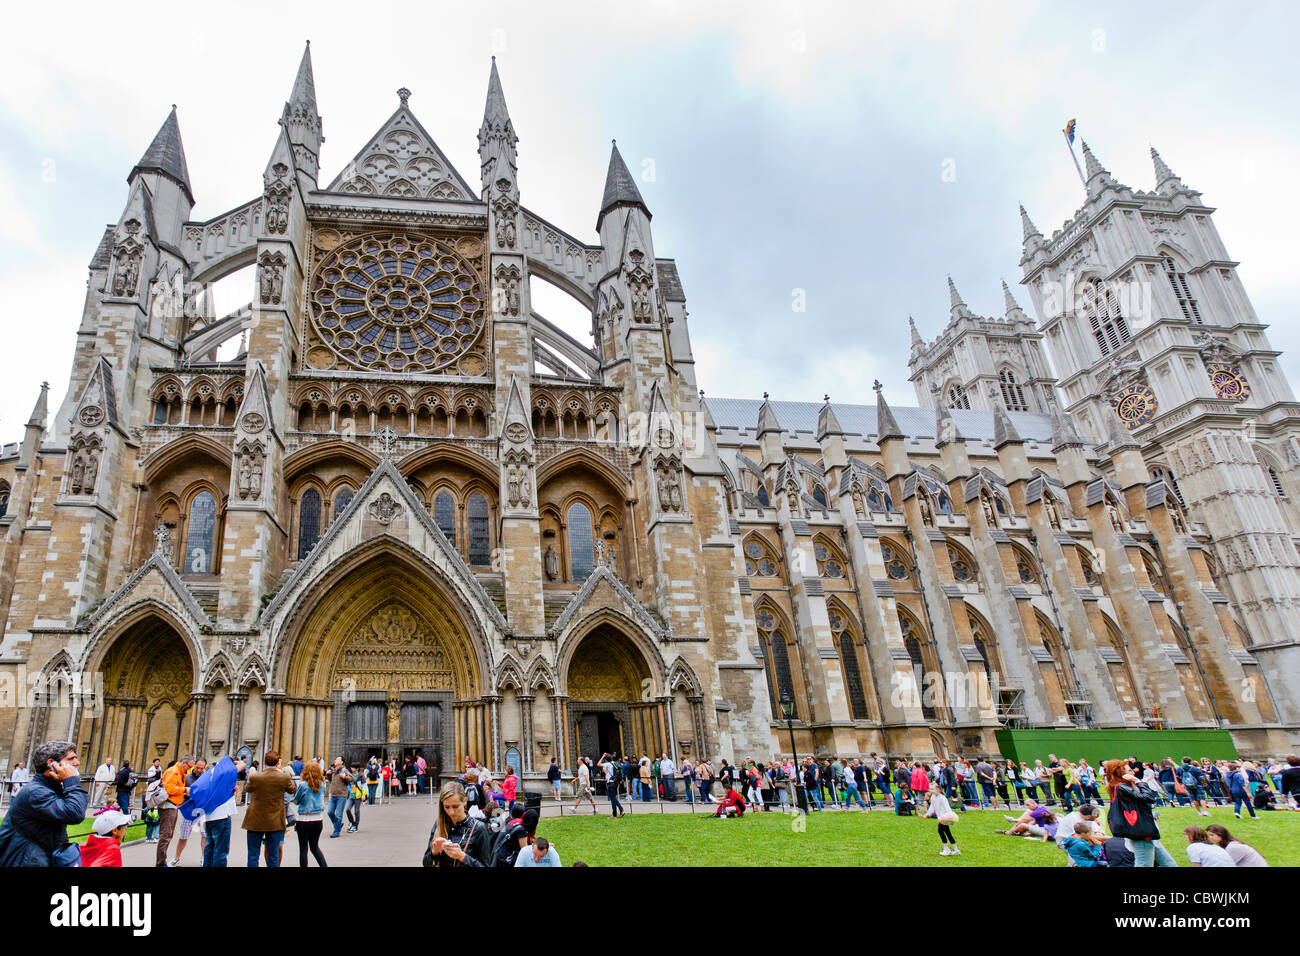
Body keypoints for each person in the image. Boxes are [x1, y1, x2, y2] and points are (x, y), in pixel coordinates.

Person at [0, 740, 87, 867]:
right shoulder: (36, 792)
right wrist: (72, 781)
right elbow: (74, 813)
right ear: (52, 764)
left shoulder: (49, 789)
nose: (77, 763)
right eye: (71, 758)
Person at [1103, 759, 1175, 867]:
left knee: (1169, 863)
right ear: (1120, 772)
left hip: (1145, 830)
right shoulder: (1122, 787)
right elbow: (1149, 798)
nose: (1133, 773)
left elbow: (1137, 806)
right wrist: (1138, 781)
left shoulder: (1125, 787)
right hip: (1141, 832)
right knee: (1144, 864)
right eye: (1129, 771)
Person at [241, 750, 296, 867]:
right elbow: (292, 790)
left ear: (264, 763)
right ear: (277, 764)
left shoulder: (256, 777)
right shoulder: (284, 777)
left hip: (255, 820)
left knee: (253, 855)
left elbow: (248, 789)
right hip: (275, 821)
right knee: (273, 855)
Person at [423, 781, 490, 867]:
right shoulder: (439, 824)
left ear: (465, 801)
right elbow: (425, 863)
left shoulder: (478, 828)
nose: (451, 812)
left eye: (455, 806)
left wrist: (462, 857)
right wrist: (434, 853)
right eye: (447, 807)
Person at [156, 754, 194, 867]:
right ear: (184, 763)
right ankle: (161, 863)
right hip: (168, 806)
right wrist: (184, 790)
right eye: (189, 766)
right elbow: (170, 788)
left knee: (167, 835)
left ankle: (161, 862)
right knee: (166, 835)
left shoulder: (179, 772)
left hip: (172, 805)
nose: (189, 769)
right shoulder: (174, 772)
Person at [293, 760, 328, 867]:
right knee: (315, 847)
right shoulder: (323, 784)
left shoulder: (303, 785)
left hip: (304, 819)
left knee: (303, 849)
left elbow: (296, 800)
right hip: (318, 819)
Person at [925, 784, 960, 856]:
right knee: (947, 833)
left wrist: (948, 817)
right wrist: (928, 814)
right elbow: (932, 807)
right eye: (930, 789)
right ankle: (955, 849)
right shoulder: (933, 797)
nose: (930, 791)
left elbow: (948, 808)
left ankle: (946, 849)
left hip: (945, 818)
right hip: (940, 818)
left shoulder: (942, 798)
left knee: (940, 831)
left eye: (932, 789)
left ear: (938, 789)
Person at [325, 757, 353, 837]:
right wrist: (328, 775)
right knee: (330, 812)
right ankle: (338, 824)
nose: (335, 760)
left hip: (341, 795)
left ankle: (336, 831)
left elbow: (352, 778)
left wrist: (344, 777)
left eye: (337, 759)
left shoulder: (344, 770)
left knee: (338, 814)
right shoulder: (333, 770)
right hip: (333, 795)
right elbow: (331, 781)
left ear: (341, 762)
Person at [346, 765, 365, 831]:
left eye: (353, 767)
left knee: (356, 811)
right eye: (351, 767)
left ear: (357, 768)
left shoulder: (361, 776)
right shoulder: (350, 775)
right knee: (347, 809)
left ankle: (356, 826)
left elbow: (364, 785)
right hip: (352, 794)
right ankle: (352, 822)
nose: (351, 768)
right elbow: (348, 784)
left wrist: (363, 794)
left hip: (358, 795)